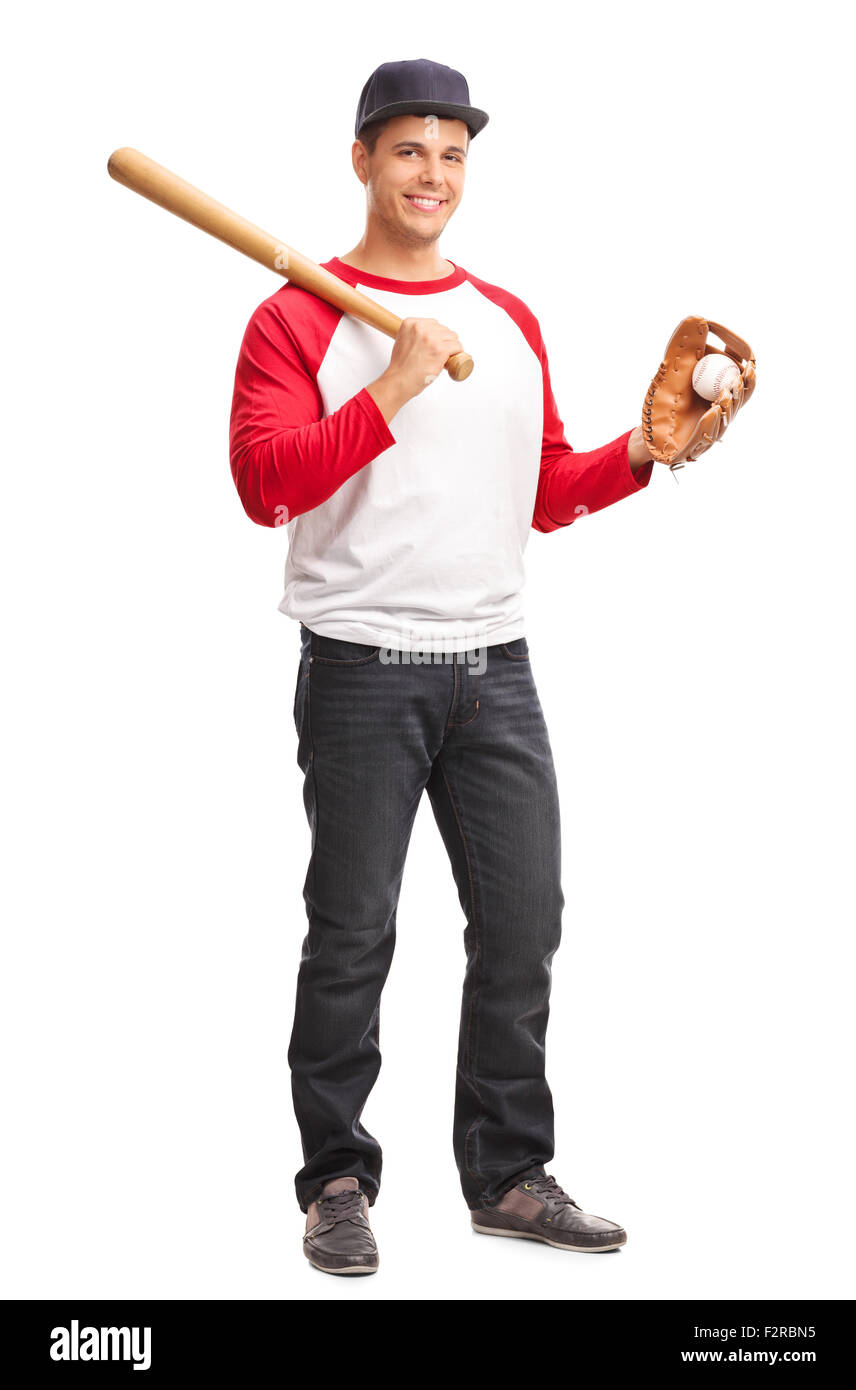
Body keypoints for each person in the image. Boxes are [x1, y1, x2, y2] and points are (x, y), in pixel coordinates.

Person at [229, 58, 654, 1277]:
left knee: (523, 926)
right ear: (361, 159)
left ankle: (508, 1175)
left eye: (452, 153)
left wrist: (639, 450)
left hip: (496, 669)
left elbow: (539, 491)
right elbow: (266, 485)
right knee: (352, 932)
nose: (433, 174)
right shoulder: (297, 316)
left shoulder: (510, 320)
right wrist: (397, 382)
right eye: (409, 149)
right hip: (362, 667)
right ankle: (336, 1180)